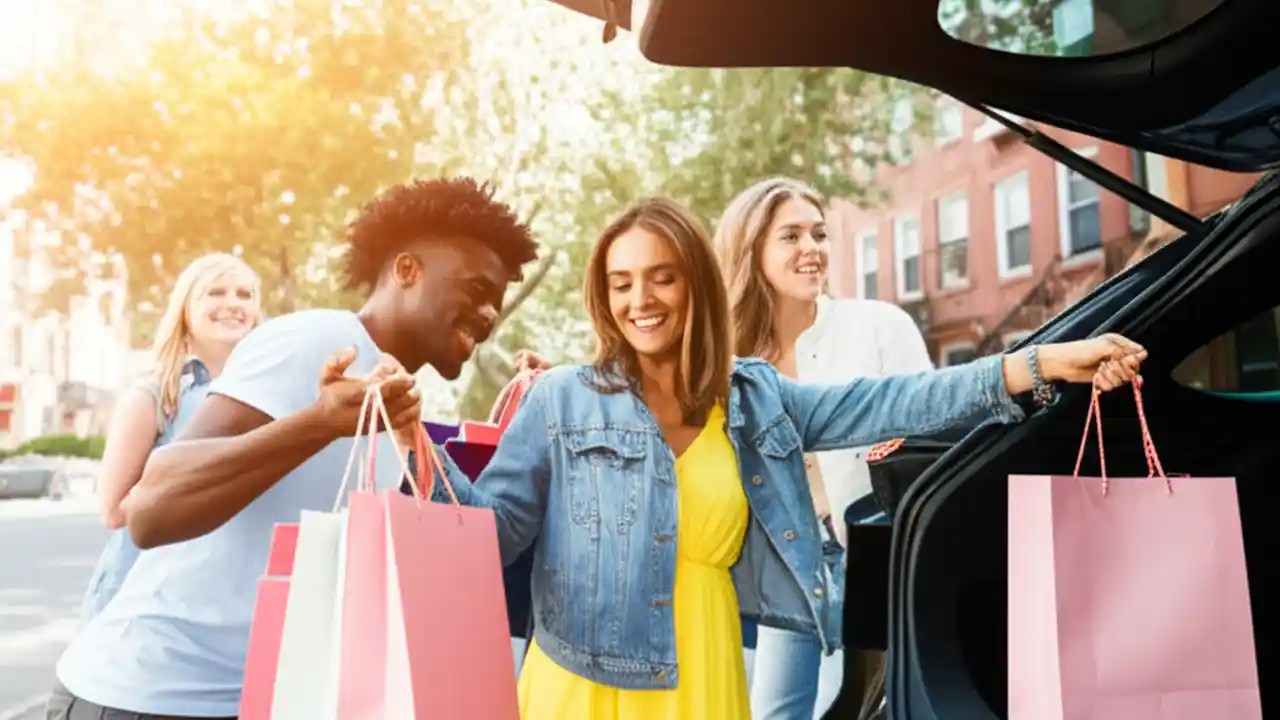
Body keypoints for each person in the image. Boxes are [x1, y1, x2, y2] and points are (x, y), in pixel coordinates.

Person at [427, 196, 1146, 720]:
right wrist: (410, 445)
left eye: (661, 277)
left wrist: (1043, 363)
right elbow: (487, 536)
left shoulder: (752, 398)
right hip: (579, 685)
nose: (640, 300)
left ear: (697, 285)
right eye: (621, 283)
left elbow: (896, 402)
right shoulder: (561, 400)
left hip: (705, 675)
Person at [48, 177, 538, 720]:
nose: (491, 316)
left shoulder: (384, 394)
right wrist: (317, 423)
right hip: (143, 696)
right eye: (476, 290)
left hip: (256, 700)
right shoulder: (318, 340)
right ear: (406, 270)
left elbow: (469, 533)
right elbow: (150, 510)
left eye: (497, 303)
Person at [713, 177, 931, 719]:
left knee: (866, 708)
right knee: (773, 713)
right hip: (789, 564)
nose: (812, 249)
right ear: (751, 251)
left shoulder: (879, 326)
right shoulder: (728, 361)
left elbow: (931, 430)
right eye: (791, 237)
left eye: (819, 234)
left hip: (876, 560)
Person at [83, 253, 262, 621]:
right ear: (185, 310)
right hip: (147, 601)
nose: (232, 303)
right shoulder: (153, 397)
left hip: (232, 598)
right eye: (216, 292)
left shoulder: (268, 394)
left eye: (244, 294)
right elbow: (114, 510)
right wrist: (189, 490)